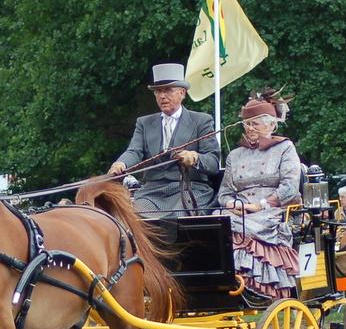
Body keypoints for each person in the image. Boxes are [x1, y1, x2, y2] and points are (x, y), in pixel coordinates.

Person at [108, 63, 221, 217]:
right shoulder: (144, 123)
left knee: (176, 218)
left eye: (168, 90)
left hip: (189, 189)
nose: (162, 96)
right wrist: (121, 163)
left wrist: (194, 158)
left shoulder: (201, 121)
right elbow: (134, 151)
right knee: (133, 218)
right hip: (152, 192)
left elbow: (213, 162)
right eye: (158, 91)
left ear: (182, 93)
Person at [217, 96, 302, 299]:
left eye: (255, 124)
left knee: (244, 226)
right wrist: (231, 203)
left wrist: (260, 205)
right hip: (239, 209)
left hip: (273, 209)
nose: (249, 128)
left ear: (271, 125)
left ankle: (255, 283)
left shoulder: (285, 148)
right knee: (215, 223)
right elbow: (223, 193)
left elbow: (290, 187)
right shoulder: (235, 155)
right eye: (246, 124)